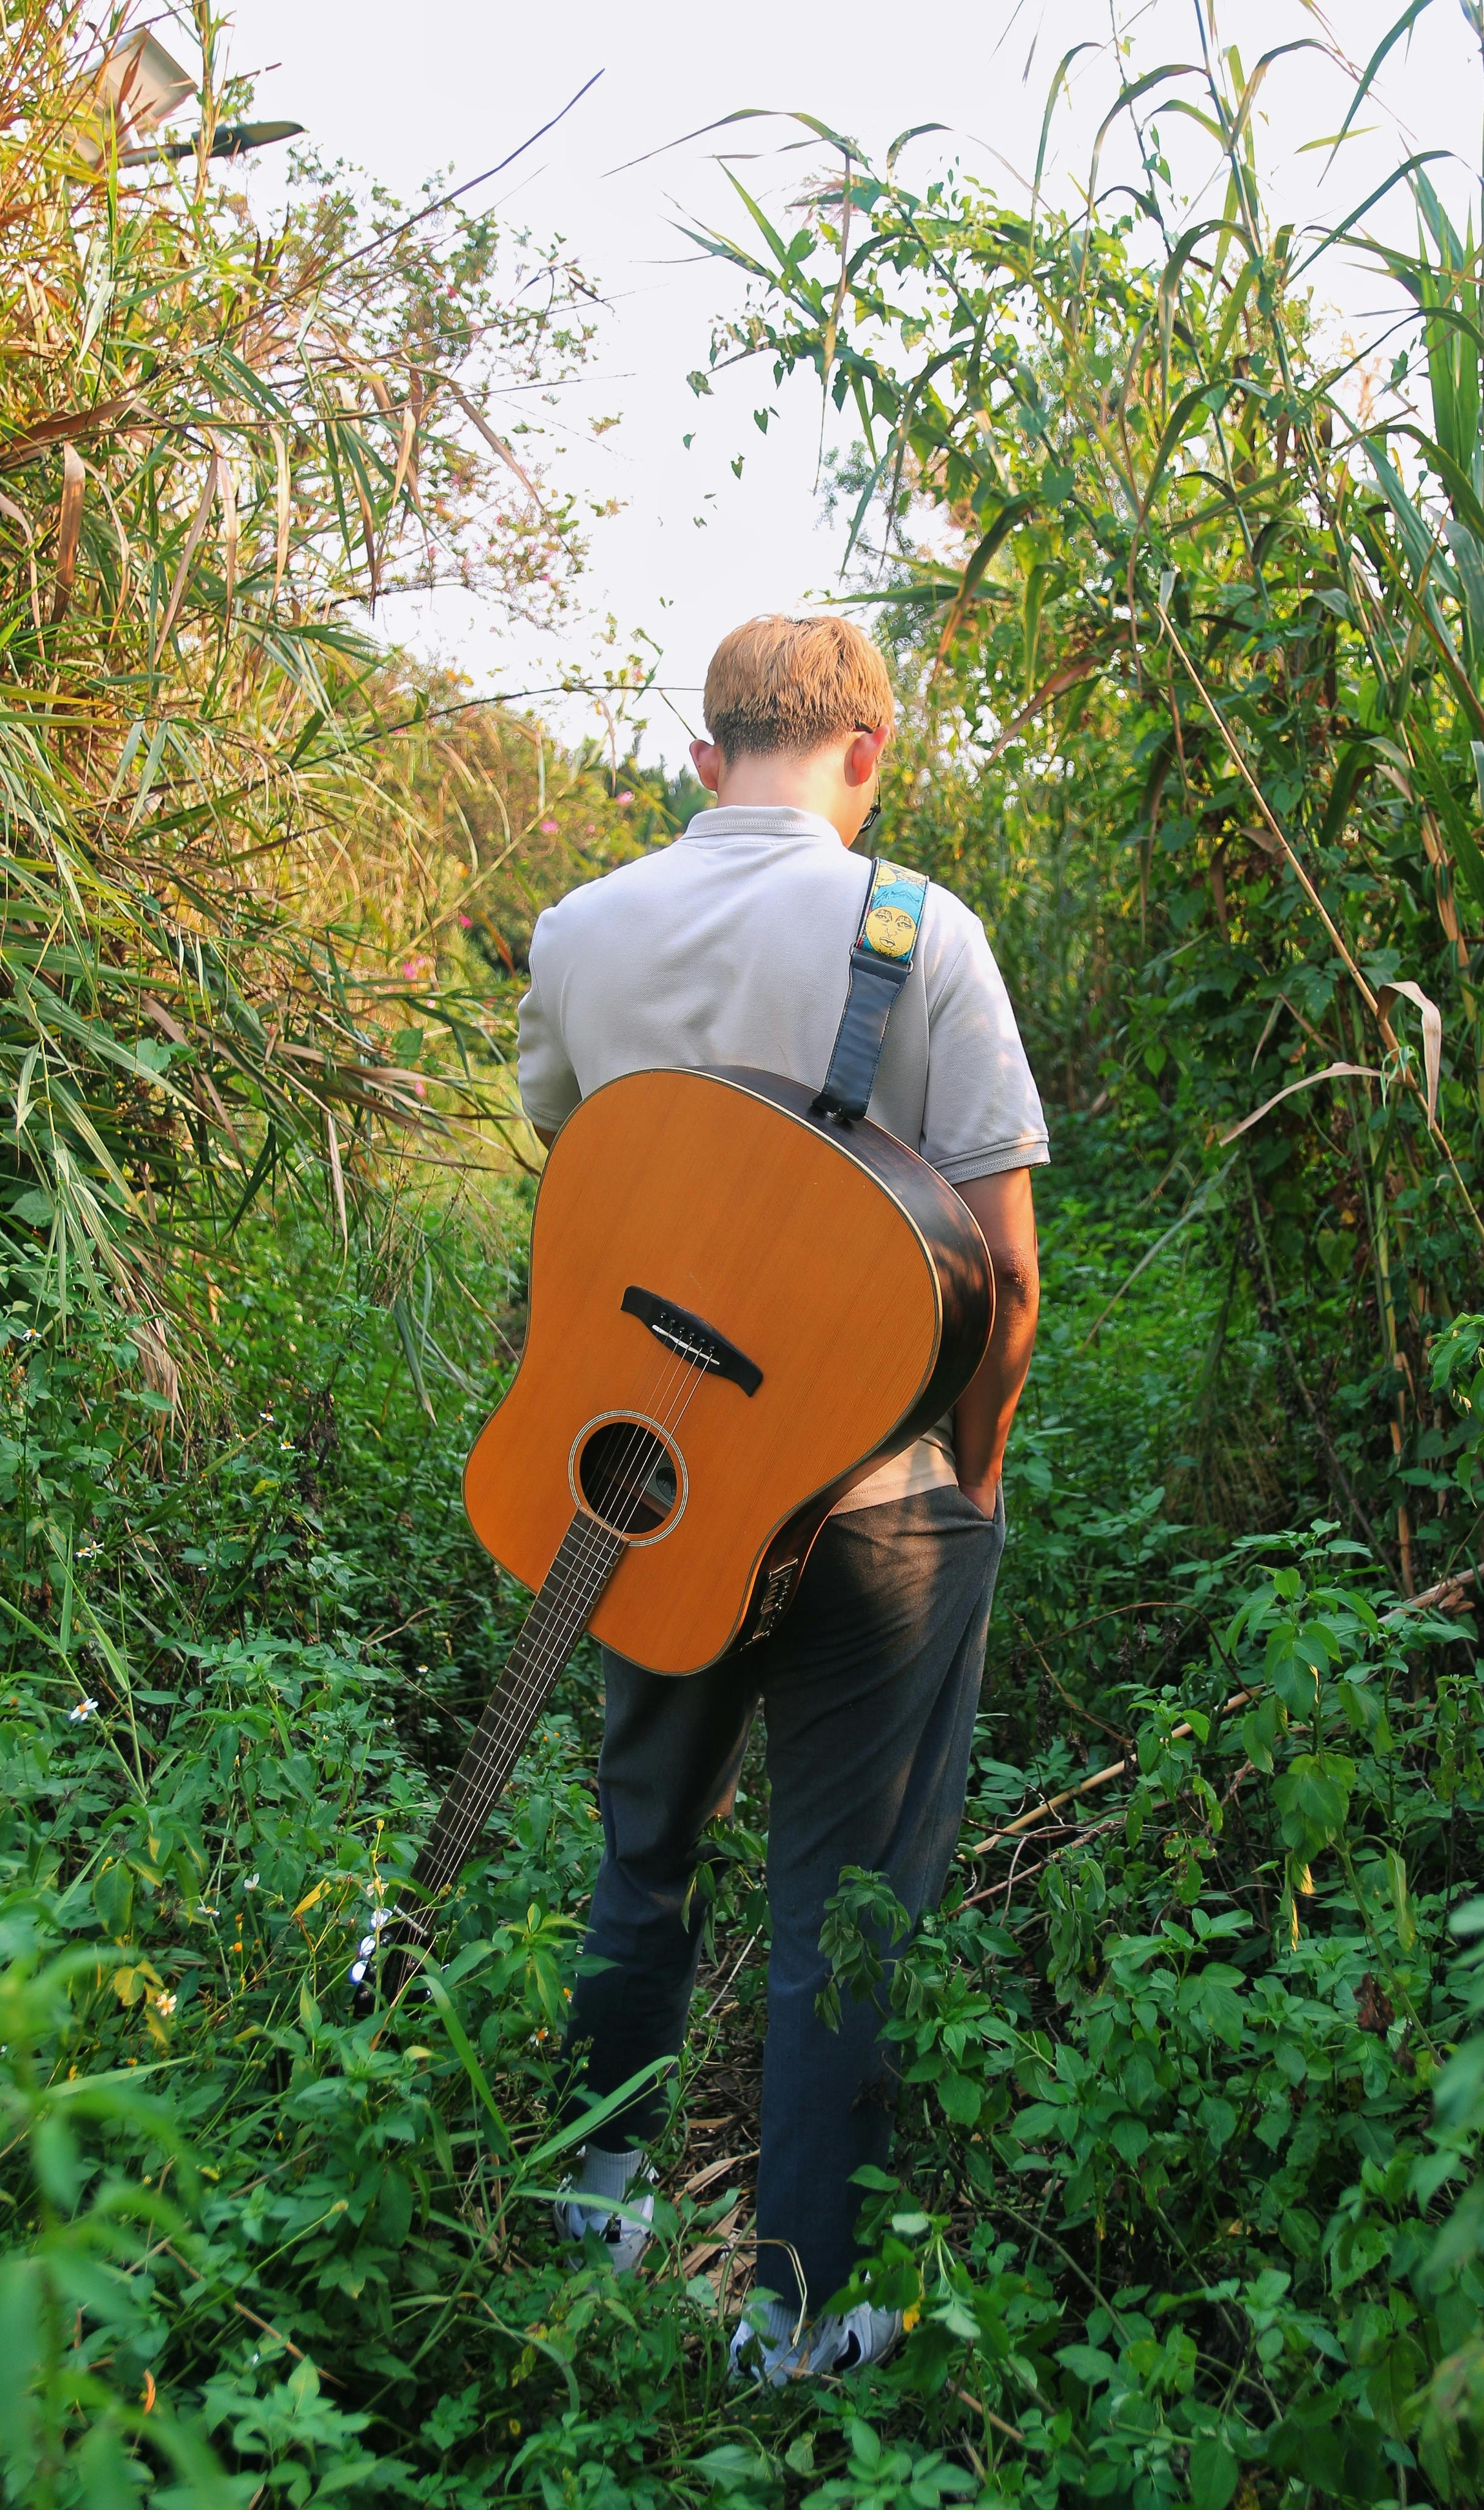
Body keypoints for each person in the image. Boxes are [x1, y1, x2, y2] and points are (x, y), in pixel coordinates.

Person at [515, 614, 1045, 2382]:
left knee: (641, 1846)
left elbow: (588, 1179)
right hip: (876, 1501)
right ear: (868, 752)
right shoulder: (919, 931)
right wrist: (966, 1477)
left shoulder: (579, 934)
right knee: (847, 1893)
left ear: (700, 756)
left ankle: (601, 2210)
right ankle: (805, 2315)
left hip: (657, 1481)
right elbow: (1008, 1273)